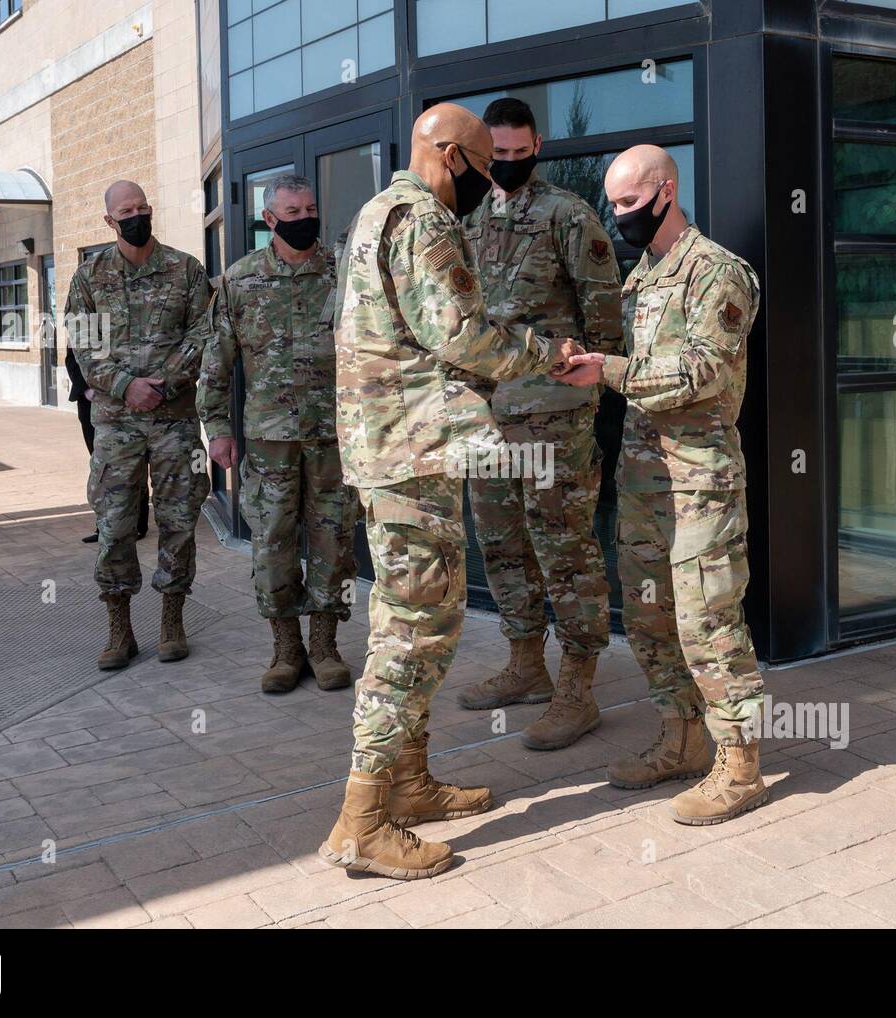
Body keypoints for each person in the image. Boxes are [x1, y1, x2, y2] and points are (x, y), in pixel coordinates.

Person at [320, 103, 582, 879]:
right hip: (413, 456)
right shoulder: (424, 220)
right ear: (449, 155)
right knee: (413, 635)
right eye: (478, 160)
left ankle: (407, 781)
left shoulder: (374, 213)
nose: (485, 178)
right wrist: (547, 351)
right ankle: (363, 822)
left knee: (412, 621)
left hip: (390, 451)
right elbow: (461, 334)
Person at [556, 145, 767, 826]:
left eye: (627, 203)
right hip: (644, 481)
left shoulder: (718, 274)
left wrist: (608, 371)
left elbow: (700, 374)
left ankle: (739, 764)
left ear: (666, 191)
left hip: (701, 480)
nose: (619, 217)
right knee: (648, 620)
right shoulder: (638, 279)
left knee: (708, 620)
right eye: (612, 205)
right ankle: (681, 738)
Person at [455, 97, 622, 752]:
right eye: (497, 157)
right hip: (487, 416)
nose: (509, 166)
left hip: (553, 416)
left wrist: (596, 391)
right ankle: (526, 663)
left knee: (565, 546)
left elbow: (603, 316)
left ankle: (578, 686)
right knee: (499, 541)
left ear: (538, 146)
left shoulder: (567, 216)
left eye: (520, 155)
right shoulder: (466, 220)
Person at [200, 173, 356, 695]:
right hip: (268, 441)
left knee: (333, 540)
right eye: (292, 213)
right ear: (270, 220)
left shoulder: (343, 274)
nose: (304, 219)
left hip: (335, 438)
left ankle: (325, 643)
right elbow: (215, 365)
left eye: (310, 209)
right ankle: (285, 647)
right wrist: (217, 430)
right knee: (272, 544)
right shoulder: (238, 282)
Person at [65, 180, 212, 671]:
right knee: (113, 524)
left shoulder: (186, 269)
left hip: (175, 421)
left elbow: (204, 334)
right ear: (109, 220)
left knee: (179, 521)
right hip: (116, 424)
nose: (136, 215)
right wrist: (127, 385)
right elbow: (84, 347)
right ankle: (119, 627)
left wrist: (164, 383)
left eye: (142, 206)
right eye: (126, 210)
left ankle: (172, 618)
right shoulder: (89, 277)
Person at [65, 346, 147, 544]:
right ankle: (105, 525)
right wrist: (86, 388)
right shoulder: (87, 319)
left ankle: (136, 525)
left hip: (126, 401)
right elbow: (72, 357)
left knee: (134, 465)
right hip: (91, 402)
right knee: (101, 465)